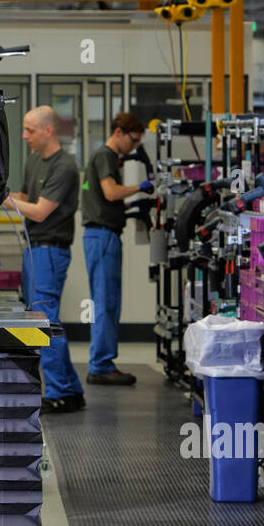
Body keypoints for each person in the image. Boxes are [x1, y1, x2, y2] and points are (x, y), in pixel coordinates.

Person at [5, 105, 84, 414]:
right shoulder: (34, 161)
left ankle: (61, 391)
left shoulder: (64, 166)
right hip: (34, 248)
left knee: (44, 322)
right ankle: (71, 389)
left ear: (48, 131)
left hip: (50, 250)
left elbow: (39, 211)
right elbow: (26, 197)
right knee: (47, 320)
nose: (25, 136)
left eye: (30, 131)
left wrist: (4, 200)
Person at [81, 111, 153, 386]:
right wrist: (139, 187)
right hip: (103, 238)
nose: (134, 147)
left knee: (106, 301)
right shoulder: (106, 156)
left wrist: (132, 207)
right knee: (106, 302)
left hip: (101, 236)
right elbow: (111, 192)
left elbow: (106, 201)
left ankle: (102, 362)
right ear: (120, 132)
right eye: (133, 141)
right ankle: (100, 365)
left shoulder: (106, 157)